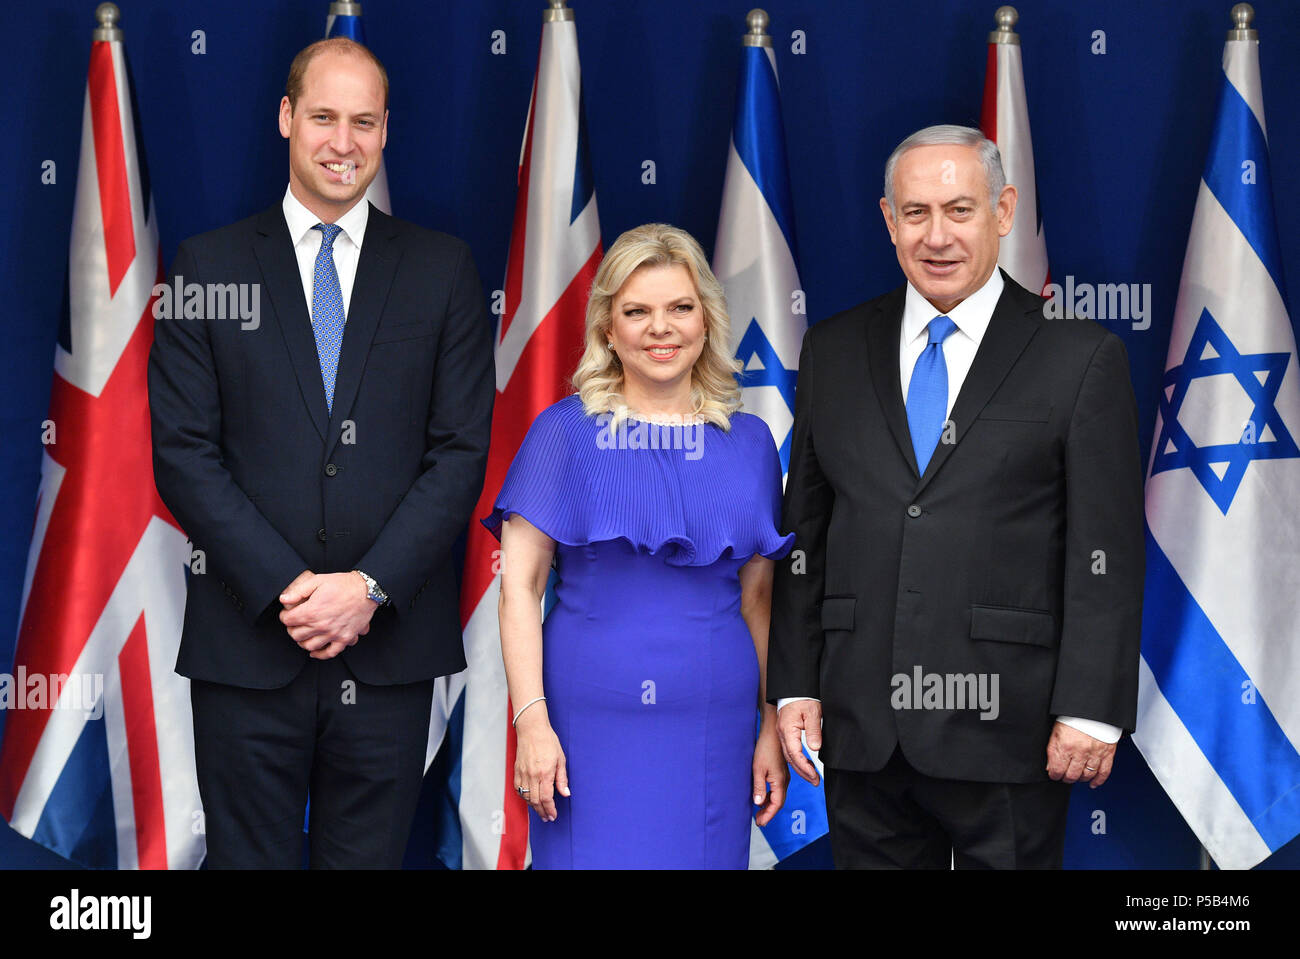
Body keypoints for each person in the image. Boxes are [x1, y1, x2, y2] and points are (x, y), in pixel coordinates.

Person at [147, 37, 494, 868]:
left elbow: (459, 453)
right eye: (326, 117)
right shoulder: (208, 265)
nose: (345, 141)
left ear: (385, 132)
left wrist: (368, 588)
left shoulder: (442, 270)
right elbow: (184, 455)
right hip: (246, 646)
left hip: (388, 650)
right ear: (287, 119)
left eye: (364, 122)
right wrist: (294, 590)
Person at [770, 125, 1144, 869]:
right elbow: (804, 532)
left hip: (1010, 726)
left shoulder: (1080, 355)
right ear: (888, 220)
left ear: (1004, 211)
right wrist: (793, 684)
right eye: (916, 213)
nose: (936, 236)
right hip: (862, 726)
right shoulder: (833, 350)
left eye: (959, 210)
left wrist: (1091, 706)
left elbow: (1105, 547)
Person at [485, 223, 792, 868]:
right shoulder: (561, 434)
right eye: (637, 311)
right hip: (583, 725)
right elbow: (519, 589)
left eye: (680, 308)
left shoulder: (752, 443)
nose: (662, 328)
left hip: (714, 727)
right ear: (607, 328)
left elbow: (759, 601)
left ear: (706, 320)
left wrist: (767, 723)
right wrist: (531, 722)